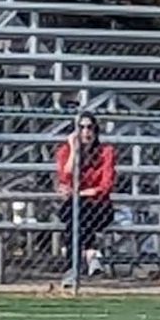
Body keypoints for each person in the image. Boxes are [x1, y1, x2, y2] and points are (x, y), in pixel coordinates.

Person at [55, 113, 116, 281]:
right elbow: (65, 178)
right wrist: (74, 150)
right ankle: (90, 254)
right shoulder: (65, 152)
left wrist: (79, 192)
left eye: (90, 127)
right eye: (81, 128)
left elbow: (106, 186)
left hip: (100, 207)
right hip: (74, 207)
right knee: (75, 215)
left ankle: (72, 267)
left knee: (78, 215)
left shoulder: (106, 152)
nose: (85, 132)